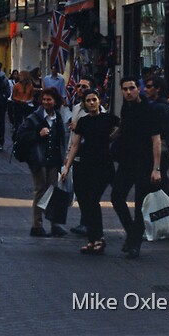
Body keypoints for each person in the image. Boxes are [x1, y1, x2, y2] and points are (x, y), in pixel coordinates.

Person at [61, 89, 119, 255]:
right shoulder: (83, 122)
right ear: (85, 104)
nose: (92, 103)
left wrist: (111, 138)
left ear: (99, 101)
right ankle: (93, 240)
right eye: (88, 100)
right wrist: (67, 166)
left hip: (103, 165)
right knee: (86, 203)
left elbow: (122, 126)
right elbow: (75, 145)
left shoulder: (108, 118)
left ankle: (99, 238)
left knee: (93, 200)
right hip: (85, 165)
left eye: (94, 99)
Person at [110, 76, 162, 259]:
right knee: (116, 196)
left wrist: (156, 168)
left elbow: (156, 140)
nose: (128, 92)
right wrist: (108, 137)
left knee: (140, 204)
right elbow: (123, 128)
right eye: (125, 89)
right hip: (126, 161)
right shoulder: (126, 107)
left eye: (132, 88)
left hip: (144, 163)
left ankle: (134, 244)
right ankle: (132, 233)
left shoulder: (149, 110)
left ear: (138, 89)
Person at [20, 87, 70, 237]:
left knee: (54, 191)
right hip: (39, 160)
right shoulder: (34, 118)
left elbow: (61, 139)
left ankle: (55, 224)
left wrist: (64, 160)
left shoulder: (58, 118)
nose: (46, 102)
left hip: (53, 160)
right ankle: (37, 225)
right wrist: (37, 133)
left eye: (49, 99)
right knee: (40, 190)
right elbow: (21, 135)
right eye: (44, 99)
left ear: (55, 101)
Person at [66, 75, 98, 236]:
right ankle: (84, 221)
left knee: (89, 192)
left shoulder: (97, 110)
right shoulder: (77, 107)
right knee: (79, 190)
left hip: (90, 156)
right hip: (76, 155)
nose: (80, 89)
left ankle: (89, 223)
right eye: (78, 86)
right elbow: (73, 137)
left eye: (84, 87)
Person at [11, 70, 35, 134]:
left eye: (21, 76)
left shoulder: (30, 85)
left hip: (27, 105)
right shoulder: (16, 85)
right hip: (18, 105)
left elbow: (32, 95)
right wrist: (19, 100)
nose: (19, 77)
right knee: (18, 120)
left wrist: (30, 100)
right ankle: (18, 132)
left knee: (27, 119)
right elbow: (13, 96)